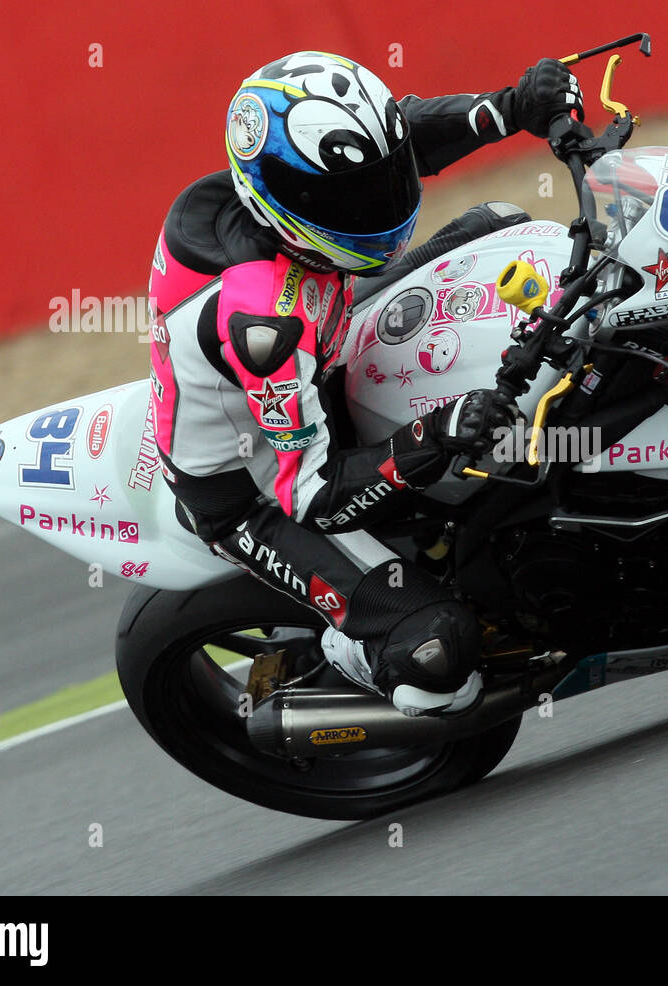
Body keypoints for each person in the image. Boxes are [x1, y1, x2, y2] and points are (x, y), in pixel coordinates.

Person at [147, 51, 583, 715]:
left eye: (382, 184)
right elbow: (311, 494)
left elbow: (406, 132)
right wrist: (434, 434)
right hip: (255, 487)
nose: (379, 205)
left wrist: (510, 107)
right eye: (351, 201)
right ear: (285, 203)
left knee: (501, 224)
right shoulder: (265, 325)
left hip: (326, 338)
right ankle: (338, 650)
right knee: (436, 657)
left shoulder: (289, 195)